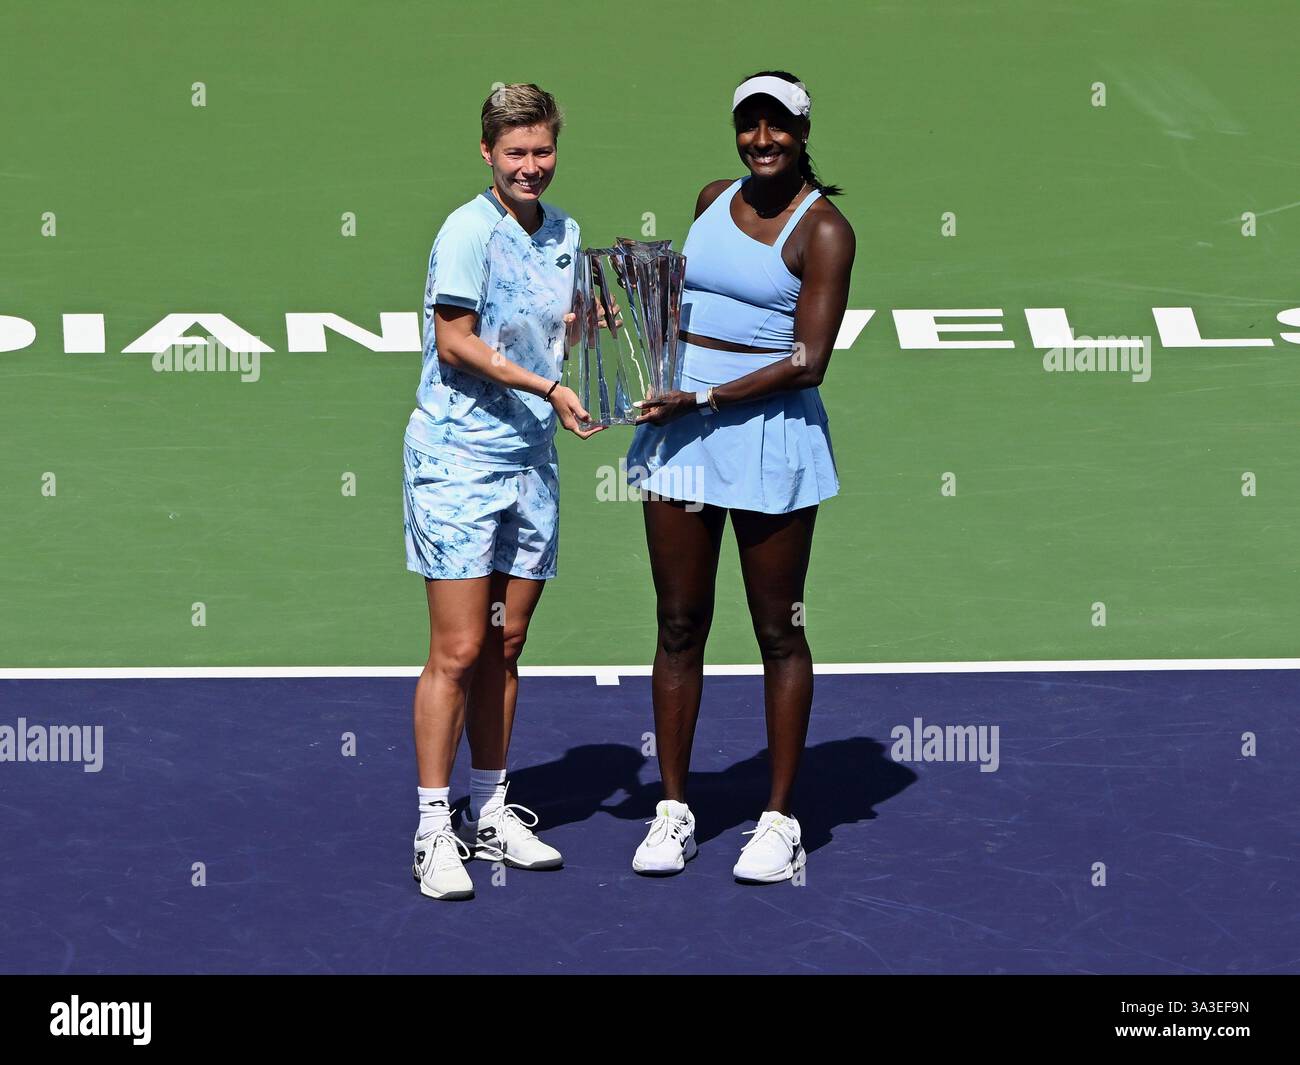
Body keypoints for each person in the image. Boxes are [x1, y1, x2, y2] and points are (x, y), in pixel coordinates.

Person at [625, 71, 855, 883]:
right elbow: (681, 304)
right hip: (684, 438)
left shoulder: (824, 231)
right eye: (749, 126)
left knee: (777, 630)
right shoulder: (710, 196)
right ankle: (674, 809)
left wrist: (706, 394)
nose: (763, 141)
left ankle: (780, 819)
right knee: (679, 622)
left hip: (767, 440)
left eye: (778, 127)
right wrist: (629, 320)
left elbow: (808, 361)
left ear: (801, 132)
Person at [403, 83, 602, 901]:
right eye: (515, 153)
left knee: (506, 643)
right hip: (456, 462)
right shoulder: (465, 232)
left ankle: (490, 808)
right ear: (487, 153)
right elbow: (456, 343)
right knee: (457, 649)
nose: (532, 167)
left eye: (542, 151)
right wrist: (549, 386)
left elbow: (555, 323)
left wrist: (604, 331)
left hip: (530, 463)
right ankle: (431, 828)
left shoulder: (565, 234)